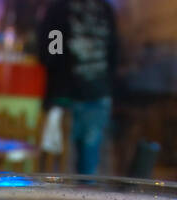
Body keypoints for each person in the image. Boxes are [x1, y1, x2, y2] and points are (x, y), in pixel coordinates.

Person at [37, 0, 120, 175]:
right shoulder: (105, 9)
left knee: (57, 170)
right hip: (98, 94)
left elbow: (51, 53)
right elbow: (114, 52)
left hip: (65, 97)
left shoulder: (59, 8)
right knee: (90, 170)